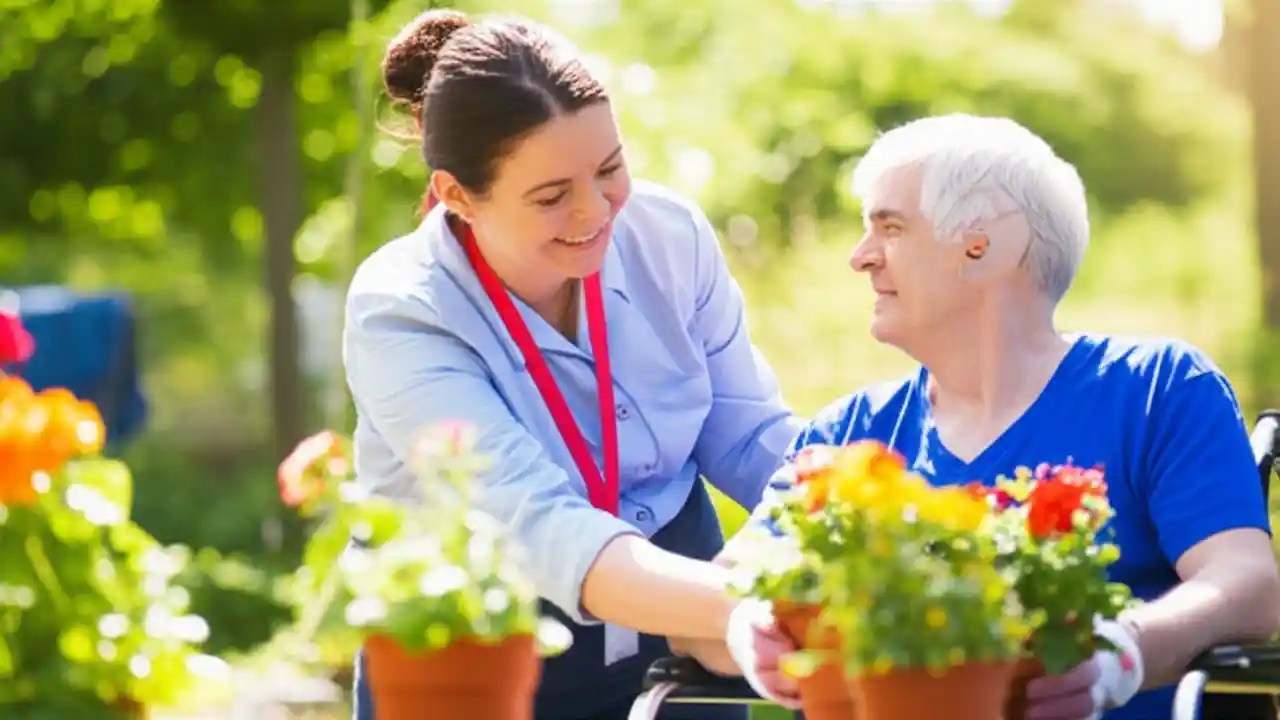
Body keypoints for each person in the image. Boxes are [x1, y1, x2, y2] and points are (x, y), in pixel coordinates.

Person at [722, 114, 1280, 719]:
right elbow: (720, 589)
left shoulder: (1154, 389)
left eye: (890, 227)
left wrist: (1122, 653)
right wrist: (747, 623)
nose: (861, 258)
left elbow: (1248, 585)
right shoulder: (849, 433)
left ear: (979, 245)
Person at [343, 9, 804, 719]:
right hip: (480, 649)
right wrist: (751, 608)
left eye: (610, 168)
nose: (596, 212)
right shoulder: (402, 310)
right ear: (457, 195)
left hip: (682, 622)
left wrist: (849, 534)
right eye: (552, 196)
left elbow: (749, 438)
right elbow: (537, 525)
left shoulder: (668, 237)